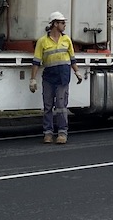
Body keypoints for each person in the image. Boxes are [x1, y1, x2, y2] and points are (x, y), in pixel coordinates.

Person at [29, 10, 82, 144]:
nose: (64, 25)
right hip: (49, 78)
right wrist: (32, 79)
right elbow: (36, 61)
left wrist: (77, 72)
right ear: (54, 24)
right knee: (48, 106)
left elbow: (72, 58)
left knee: (61, 106)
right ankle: (48, 134)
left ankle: (62, 133)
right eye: (62, 23)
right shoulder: (42, 41)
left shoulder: (66, 39)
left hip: (63, 77)